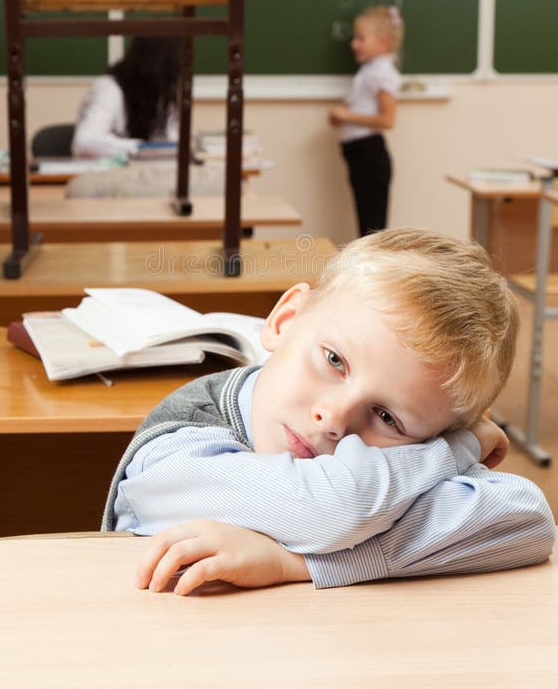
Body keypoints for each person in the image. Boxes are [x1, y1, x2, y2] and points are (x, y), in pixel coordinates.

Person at [102, 228, 556, 595]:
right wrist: (464, 445)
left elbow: (526, 518)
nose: (335, 419)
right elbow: (333, 507)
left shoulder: (411, 455)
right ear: (285, 320)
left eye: (387, 418)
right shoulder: (174, 442)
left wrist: (297, 564)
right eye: (334, 360)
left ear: (429, 436)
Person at [328, 5, 403, 236]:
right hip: (359, 154)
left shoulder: (381, 73)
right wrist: (343, 118)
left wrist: (347, 115)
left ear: (383, 42)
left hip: (370, 154)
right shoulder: (370, 71)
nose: (354, 44)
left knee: (372, 229)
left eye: (361, 38)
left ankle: (374, 272)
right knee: (366, 224)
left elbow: (387, 119)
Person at [71, 36, 180, 158]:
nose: (170, 84)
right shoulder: (109, 89)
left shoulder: (160, 93)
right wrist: (141, 148)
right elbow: (84, 142)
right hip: (104, 172)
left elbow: (169, 141)